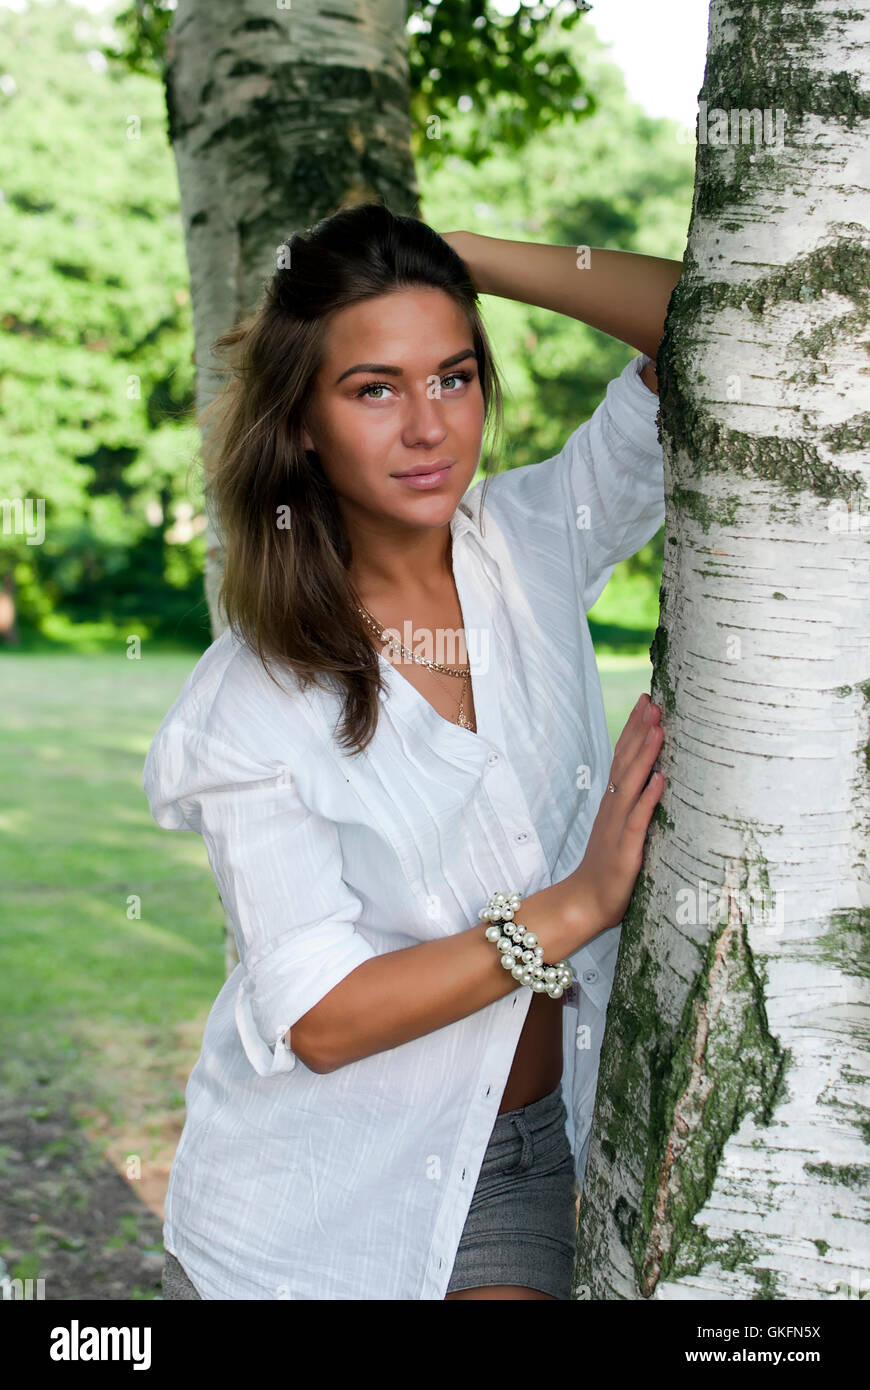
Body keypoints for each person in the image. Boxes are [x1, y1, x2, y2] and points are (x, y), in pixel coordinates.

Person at [143, 202, 681, 1300]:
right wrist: (576, 905)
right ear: (302, 421)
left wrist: (449, 254)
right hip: (311, 1197)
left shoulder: (532, 543)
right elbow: (323, 1018)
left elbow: (704, 323)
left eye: (454, 374)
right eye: (375, 388)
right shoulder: (251, 697)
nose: (429, 426)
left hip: (523, 1158)